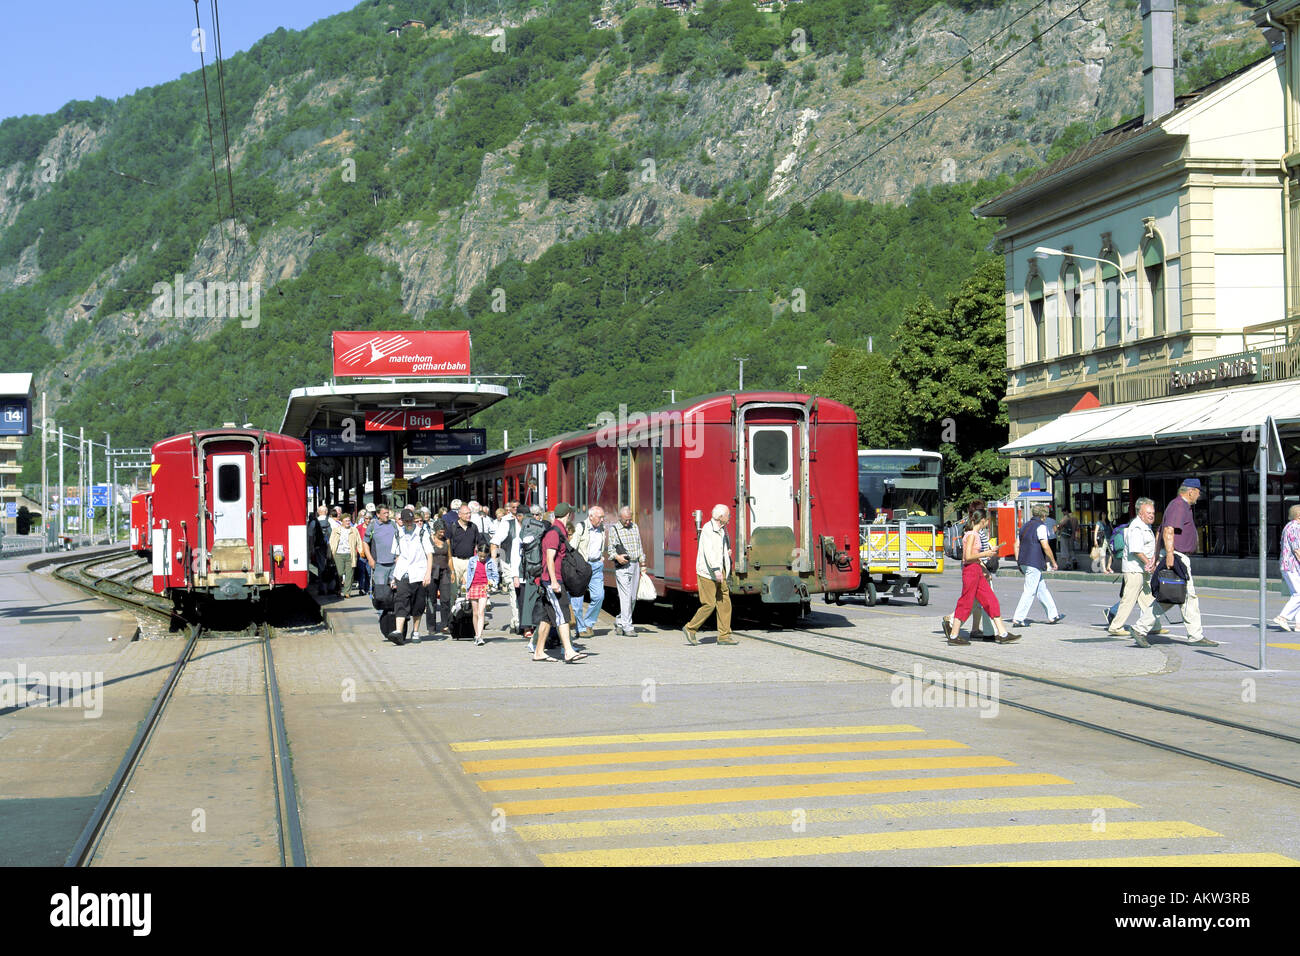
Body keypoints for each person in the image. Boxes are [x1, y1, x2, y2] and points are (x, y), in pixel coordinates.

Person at [1134, 479, 1217, 647]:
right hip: (1178, 556)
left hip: (1177, 555)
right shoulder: (1179, 505)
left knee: (1176, 596)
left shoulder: (1180, 506)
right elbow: (1167, 530)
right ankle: (1142, 628)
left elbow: (1160, 531)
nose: (1199, 495)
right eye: (1198, 491)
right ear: (1191, 491)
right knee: (1179, 595)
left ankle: (1194, 635)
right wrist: (1169, 555)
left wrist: (1157, 557)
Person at [942, 509, 1020, 645]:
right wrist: (986, 553)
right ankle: (954, 636)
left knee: (991, 600)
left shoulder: (973, 534)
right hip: (971, 572)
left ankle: (1003, 633)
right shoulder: (972, 535)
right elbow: (968, 557)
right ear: (982, 521)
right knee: (966, 602)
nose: (988, 523)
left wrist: (985, 559)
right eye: (987, 521)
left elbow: (971, 556)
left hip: (976, 570)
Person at [1103, 497, 1163, 646]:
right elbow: (1136, 550)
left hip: (1143, 570)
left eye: (1153, 512)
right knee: (1129, 599)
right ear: (1140, 513)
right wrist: (1149, 563)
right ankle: (1116, 626)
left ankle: (1154, 626)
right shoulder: (1136, 527)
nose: (1151, 515)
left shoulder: (1145, 526)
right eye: (1148, 512)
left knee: (1148, 599)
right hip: (1135, 570)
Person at [532, 503, 585, 662]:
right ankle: (568, 651)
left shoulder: (559, 530)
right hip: (552, 581)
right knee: (563, 613)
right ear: (568, 514)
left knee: (547, 617)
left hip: (552, 579)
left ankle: (539, 652)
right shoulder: (554, 533)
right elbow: (549, 558)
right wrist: (554, 582)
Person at [683, 504, 737, 646]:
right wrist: (716, 570)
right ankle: (690, 628)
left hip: (720, 571)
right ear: (720, 517)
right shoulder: (708, 529)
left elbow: (719, 550)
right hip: (708, 573)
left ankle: (724, 635)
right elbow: (708, 553)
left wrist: (726, 559)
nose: (729, 517)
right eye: (728, 515)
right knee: (709, 604)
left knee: (725, 602)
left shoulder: (721, 530)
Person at [1011, 503, 1062, 628]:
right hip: (1033, 562)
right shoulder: (1041, 527)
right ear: (1043, 515)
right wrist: (1053, 561)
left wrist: (1019, 561)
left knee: (1041, 589)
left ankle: (1053, 614)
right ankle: (1018, 617)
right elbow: (1045, 546)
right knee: (1030, 591)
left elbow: (1016, 545)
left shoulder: (1025, 526)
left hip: (1024, 561)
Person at [389, 505, 430, 646]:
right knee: (401, 601)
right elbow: (396, 556)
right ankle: (399, 632)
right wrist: (393, 576)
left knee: (418, 604)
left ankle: (416, 631)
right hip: (403, 573)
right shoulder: (397, 534)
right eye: (406, 521)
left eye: (410, 521)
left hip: (419, 573)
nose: (408, 523)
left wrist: (428, 574)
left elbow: (429, 554)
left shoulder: (422, 533)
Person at [568, 505, 606, 638]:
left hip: (596, 566)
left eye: (603, 517)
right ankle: (580, 627)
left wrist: (600, 556)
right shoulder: (581, 527)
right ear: (591, 516)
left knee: (599, 596)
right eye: (600, 517)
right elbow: (572, 548)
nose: (602, 520)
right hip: (582, 566)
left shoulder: (602, 529)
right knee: (577, 600)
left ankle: (589, 623)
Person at [608, 505, 646, 636]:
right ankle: (627, 626)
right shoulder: (614, 529)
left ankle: (619, 621)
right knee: (626, 597)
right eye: (626, 520)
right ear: (620, 518)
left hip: (635, 564)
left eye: (630, 519)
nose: (628, 522)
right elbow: (610, 550)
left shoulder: (635, 527)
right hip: (623, 566)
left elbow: (639, 545)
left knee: (633, 598)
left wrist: (643, 563)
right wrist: (617, 557)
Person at [518, 504, 548, 644]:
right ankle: (533, 628)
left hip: (530, 566)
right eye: (534, 515)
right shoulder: (539, 527)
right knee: (535, 598)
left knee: (531, 598)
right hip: (535, 567)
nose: (536, 518)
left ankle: (531, 627)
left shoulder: (527, 527)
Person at [492, 501, 523, 631]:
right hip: (509, 563)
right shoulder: (506, 523)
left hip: (524, 564)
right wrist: (495, 566)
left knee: (523, 592)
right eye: (513, 507)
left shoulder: (528, 522)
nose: (515, 510)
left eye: (518, 508)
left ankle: (521, 620)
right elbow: (495, 543)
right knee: (513, 591)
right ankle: (517, 621)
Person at [463, 543, 500, 645]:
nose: (482, 558)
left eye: (484, 556)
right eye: (480, 556)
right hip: (473, 586)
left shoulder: (491, 562)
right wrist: (467, 590)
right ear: (477, 553)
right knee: (475, 613)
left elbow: (496, 576)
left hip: (484, 587)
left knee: (481, 612)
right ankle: (476, 634)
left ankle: (479, 636)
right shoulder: (472, 560)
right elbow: (469, 575)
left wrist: (492, 583)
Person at [426, 520, 454, 636]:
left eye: (443, 532)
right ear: (435, 531)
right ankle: (431, 626)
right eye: (440, 532)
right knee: (431, 600)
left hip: (444, 572)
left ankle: (445, 625)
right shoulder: (429, 540)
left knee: (445, 599)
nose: (442, 534)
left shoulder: (446, 541)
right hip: (432, 572)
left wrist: (452, 572)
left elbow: (450, 557)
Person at [1276, 503, 1300, 632]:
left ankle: (1298, 624)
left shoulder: (1289, 526)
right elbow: (1297, 550)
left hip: (1289, 565)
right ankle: (1283, 617)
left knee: (1297, 594)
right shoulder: (1295, 528)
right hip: (1291, 566)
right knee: (1299, 594)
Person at [364, 504, 397, 595]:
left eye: (387, 513)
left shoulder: (393, 524)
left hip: (394, 564)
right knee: (381, 593)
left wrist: (398, 557)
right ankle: (381, 609)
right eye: (384, 513)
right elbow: (365, 542)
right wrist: (370, 559)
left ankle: (392, 609)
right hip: (379, 565)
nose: (387, 515)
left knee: (394, 592)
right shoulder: (372, 526)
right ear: (378, 514)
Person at [329, 512, 363, 597]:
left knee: (350, 574)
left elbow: (359, 542)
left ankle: (347, 592)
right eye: (346, 521)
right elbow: (331, 542)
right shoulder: (336, 530)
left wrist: (361, 551)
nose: (348, 522)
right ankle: (338, 588)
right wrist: (329, 553)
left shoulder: (354, 530)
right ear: (342, 521)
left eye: (349, 520)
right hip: (338, 554)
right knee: (339, 573)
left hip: (350, 554)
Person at [446, 504, 479, 588]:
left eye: (469, 513)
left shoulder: (473, 527)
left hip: (470, 561)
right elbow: (447, 544)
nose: (469, 515)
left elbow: (478, 543)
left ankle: (468, 601)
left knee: (468, 588)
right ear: (459, 515)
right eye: (466, 513)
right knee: (453, 589)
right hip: (456, 561)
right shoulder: (452, 527)